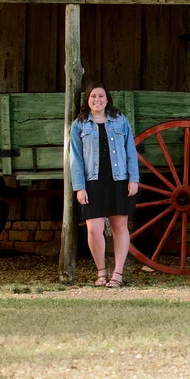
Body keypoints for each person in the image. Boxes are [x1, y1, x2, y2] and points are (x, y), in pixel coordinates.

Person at [69, 83, 140, 288]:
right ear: (87, 100)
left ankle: (117, 274)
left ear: (107, 99)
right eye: (93, 96)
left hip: (119, 180)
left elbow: (130, 151)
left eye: (101, 96)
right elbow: (75, 158)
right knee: (93, 229)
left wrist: (133, 179)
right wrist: (79, 187)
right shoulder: (80, 125)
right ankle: (101, 272)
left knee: (119, 227)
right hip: (93, 182)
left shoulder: (120, 121)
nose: (97, 100)